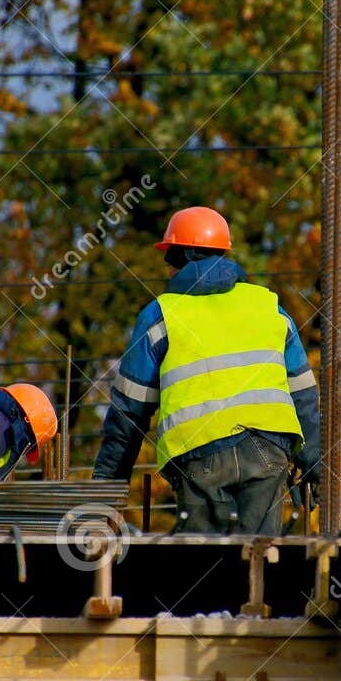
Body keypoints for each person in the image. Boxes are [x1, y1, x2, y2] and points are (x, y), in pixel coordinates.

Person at [91, 206, 321, 534]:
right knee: (258, 562)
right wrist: (314, 460)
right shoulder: (269, 307)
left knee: (205, 570)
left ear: (182, 256)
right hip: (268, 454)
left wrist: (106, 488)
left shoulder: (160, 315)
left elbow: (128, 413)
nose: (168, 269)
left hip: (199, 457)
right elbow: (303, 393)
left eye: (170, 260)